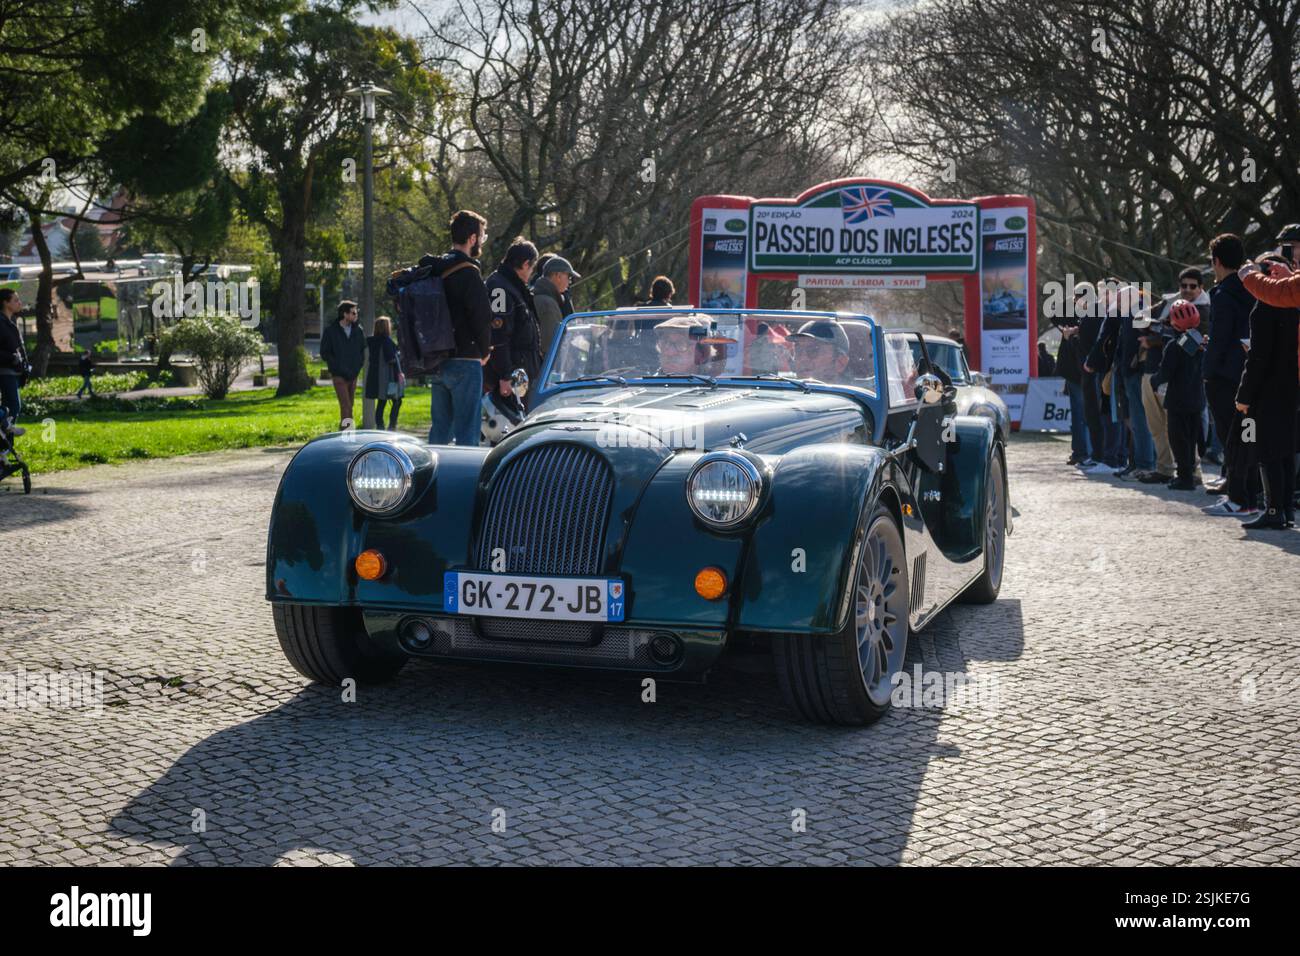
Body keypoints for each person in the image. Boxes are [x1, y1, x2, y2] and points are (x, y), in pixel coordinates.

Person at [1235, 248, 1300, 528]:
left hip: (1268, 389)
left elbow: (1258, 357)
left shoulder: (1263, 308)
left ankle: (1273, 510)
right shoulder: (1293, 306)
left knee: (1265, 449)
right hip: (1293, 386)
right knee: (1287, 450)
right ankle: (1285, 509)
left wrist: (1244, 395)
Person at [426, 210, 494, 446]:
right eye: (482, 237)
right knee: (467, 431)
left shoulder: (436, 270)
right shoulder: (469, 273)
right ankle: (464, 480)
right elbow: (481, 317)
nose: (481, 242)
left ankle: (434, 477)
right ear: (472, 238)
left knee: (440, 431)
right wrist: (485, 351)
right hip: (466, 359)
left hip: (437, 358)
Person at [1204, 234, 1256, 512]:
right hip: (1251, 376)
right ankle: (1251, 495)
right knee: (1248, 436)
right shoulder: (1253, 290)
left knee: (1232, 439)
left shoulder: (1224, 295)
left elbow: (1221, 339)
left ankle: (1238, 499)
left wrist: (1207, 372)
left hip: (1225, 378)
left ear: (1217, 261)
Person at [1150, 301, 1205, 491]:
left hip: (1178, 400)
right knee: (1191, 440)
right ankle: (1189, 474)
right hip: (1197, 399)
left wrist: (1154, 381)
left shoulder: (1174, 345)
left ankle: (1184, 478)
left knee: (1178, 440)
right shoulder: (1201, 342)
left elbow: (1165, 372)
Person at [485, 237, 541, 410]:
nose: (531, 273)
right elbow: (498, 334)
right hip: (512, 378)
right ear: (525, 264)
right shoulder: (499, 288)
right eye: (532, 267)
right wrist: (505, 375)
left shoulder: (513, 287)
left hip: (521, 372)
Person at [319, 300, 365, 429]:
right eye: (353, 313)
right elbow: (325, 352)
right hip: (339, 374)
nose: (356, 315)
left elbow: (362, 350)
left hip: (353, 374)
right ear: (345, 314)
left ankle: (343, 429)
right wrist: (336, 367)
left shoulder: (358, 331)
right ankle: (348, 432)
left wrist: (357, 366)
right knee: (346, 404)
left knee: (350, 403)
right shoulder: (331, 331)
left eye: (356, 313)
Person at [1053, 316, 1088, 465]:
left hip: (1080, 371)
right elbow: (1053, 315)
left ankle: (1084, 452)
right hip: (1075, 372)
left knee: (1081, 415)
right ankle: (1081, 451)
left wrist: (1074, 332)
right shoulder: (1072, 314)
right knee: (1079, 415)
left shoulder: (1092, 314)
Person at [534, 256, 581, 357]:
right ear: (558, 276)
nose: (569, 282)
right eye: (568, 277)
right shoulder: (548, 304)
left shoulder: (543, 297)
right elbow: (551, 346)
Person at [365, 315, 405, 431]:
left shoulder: (372, 341)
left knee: (381, 402)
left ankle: (380, 426)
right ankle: (392, 426)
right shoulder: (386, 341)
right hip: (389, 377)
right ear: (386, 327)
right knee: (397, 400)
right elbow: (390, 359)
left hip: (376, 377)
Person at [0, 288, 29, 438]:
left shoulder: (10, 322)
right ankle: (5, 441)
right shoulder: (2, 322)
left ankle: (5, 448)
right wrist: (11, 358)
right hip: (5, 370)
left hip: (13, 370)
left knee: (11, 409)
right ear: (6, 303)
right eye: (16, 300)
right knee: (12, 407)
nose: (19, 303)